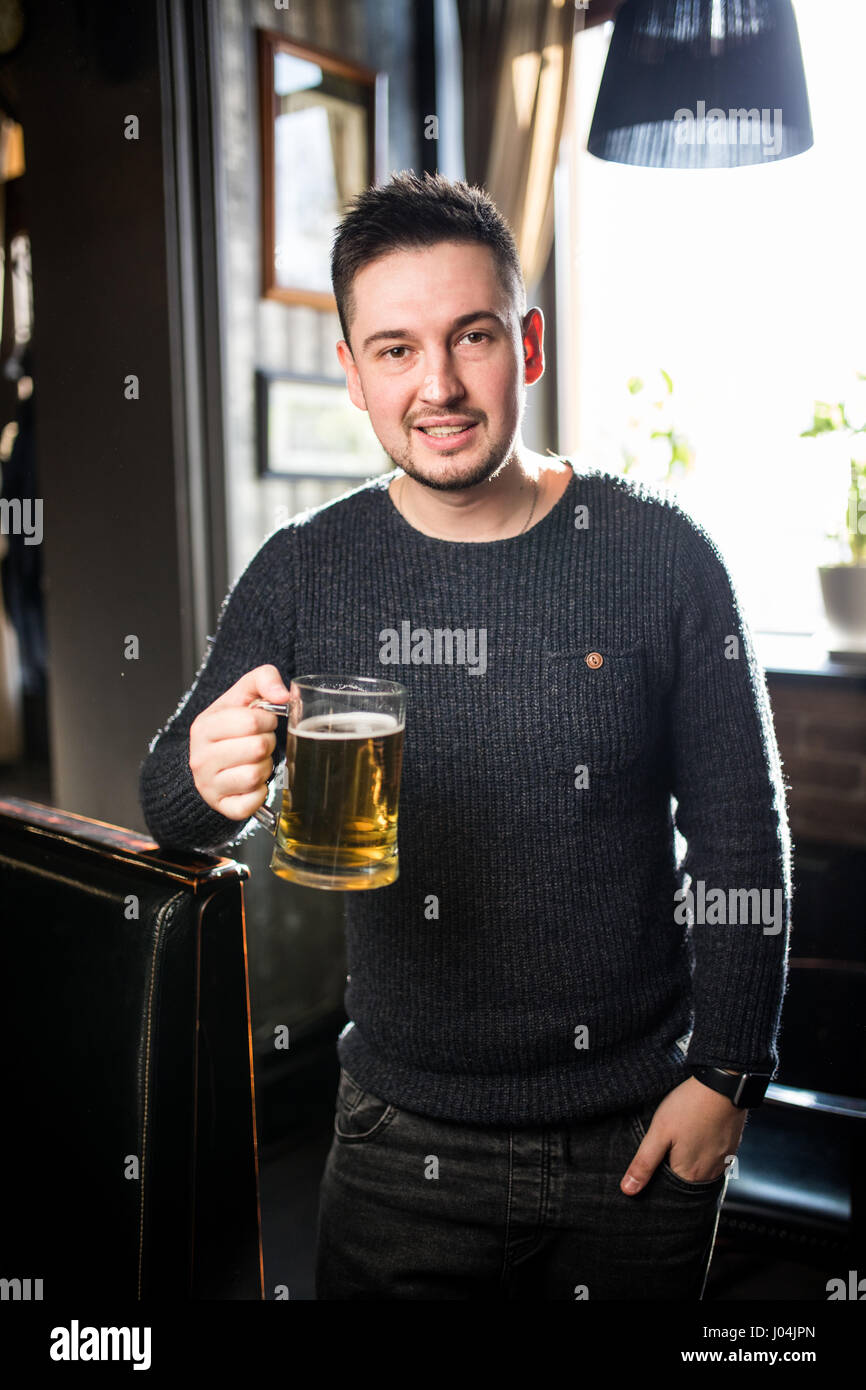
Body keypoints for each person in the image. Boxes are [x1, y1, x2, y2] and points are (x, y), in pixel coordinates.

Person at [138, 171, 791, 1301]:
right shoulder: (304, 566)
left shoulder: (662, 553)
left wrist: (726, 1077)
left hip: (636, 1141)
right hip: (399, 1142)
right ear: (350, 370)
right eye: (393, 349)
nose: (435, 384)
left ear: (525, 343)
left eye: (469, 336)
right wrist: (205, 778)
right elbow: (167, 800)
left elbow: (741, 841)